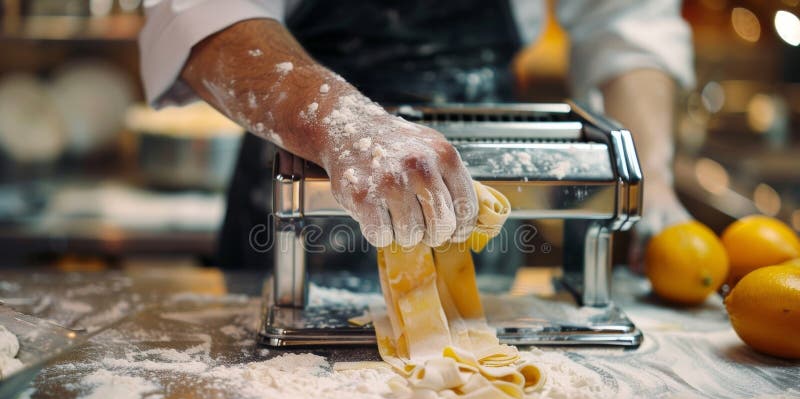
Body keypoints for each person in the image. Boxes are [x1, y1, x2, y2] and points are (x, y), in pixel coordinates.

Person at [139, 0, 694, 271]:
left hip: (479, 170)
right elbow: (200, 11)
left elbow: (626, 20)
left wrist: (656, 184)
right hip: (302, 168)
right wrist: (345, 125)